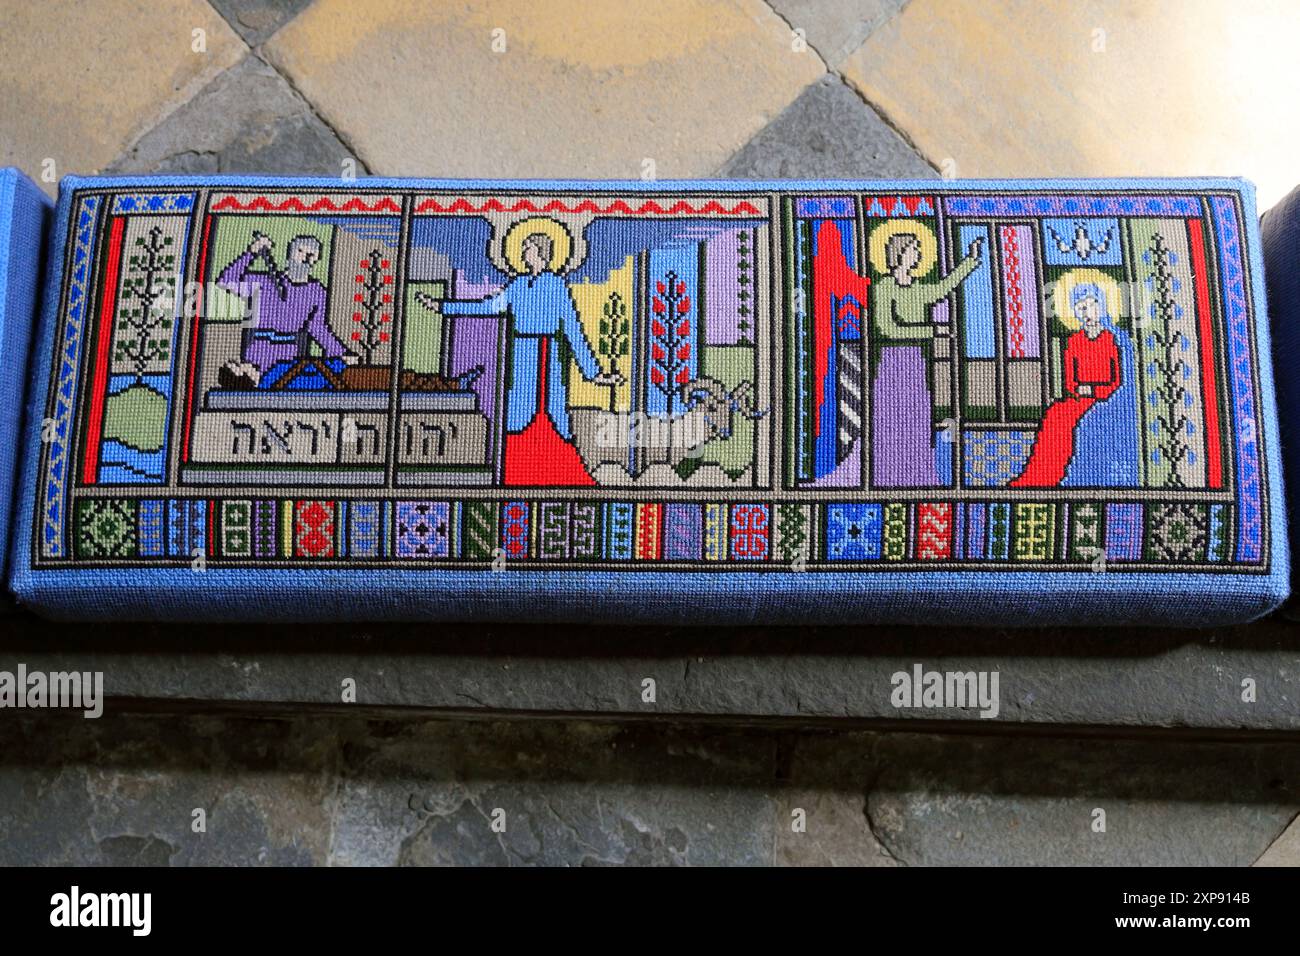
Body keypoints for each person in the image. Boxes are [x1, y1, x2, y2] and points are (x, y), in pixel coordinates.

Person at [416, 231, 622, 485]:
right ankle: (515, 474)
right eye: (524, 249)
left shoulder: (556, 286)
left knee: (554, 412)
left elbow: (573, 329)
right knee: (518, 413)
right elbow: (488, 307)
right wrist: (444, 306)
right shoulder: (518, 285)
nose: (524, 254)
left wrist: (594, 373)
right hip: (523, 352)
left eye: (528, 249)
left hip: (550, 356)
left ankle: (560, 475)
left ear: (540, 254)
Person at [870, 230, 983, 486]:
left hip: (915, 359)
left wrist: (970, 260)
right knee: (892, 418)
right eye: (913, 249)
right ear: (899, 253)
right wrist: (932, 330)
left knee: (917, 414)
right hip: (892, 359)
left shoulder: (918, 287)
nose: (918, 254)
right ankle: (887, 473)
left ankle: (916, 472)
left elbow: (943, 288)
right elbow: (888, 328)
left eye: (918, 249)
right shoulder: (885, 287)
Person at [1010, 281, 1137, 487]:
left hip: (1107, 399)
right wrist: (1078, 389)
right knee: (1054, 414)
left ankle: (1053, 475)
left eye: (1092, 305)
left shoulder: (1112, 340)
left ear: (1102, 306)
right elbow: (1070, 378)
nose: (1087, 312)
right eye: (1081, 308)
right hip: (1079, 398)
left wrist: (1095, 390)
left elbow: (1116, 381)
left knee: (1066, 421)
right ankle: (1039, 475)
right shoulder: (1075, 341)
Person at [216, 233, 353, 388]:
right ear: (290, 254)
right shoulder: (264, 282)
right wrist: (252, 252)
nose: (305, 257)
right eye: (300, 251)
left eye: (311, 254)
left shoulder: (316, 291)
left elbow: (318, 328)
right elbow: (226, 281)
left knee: (324, 373)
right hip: (258, 363)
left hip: (291, 363)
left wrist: (341, 354)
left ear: (316, 259)